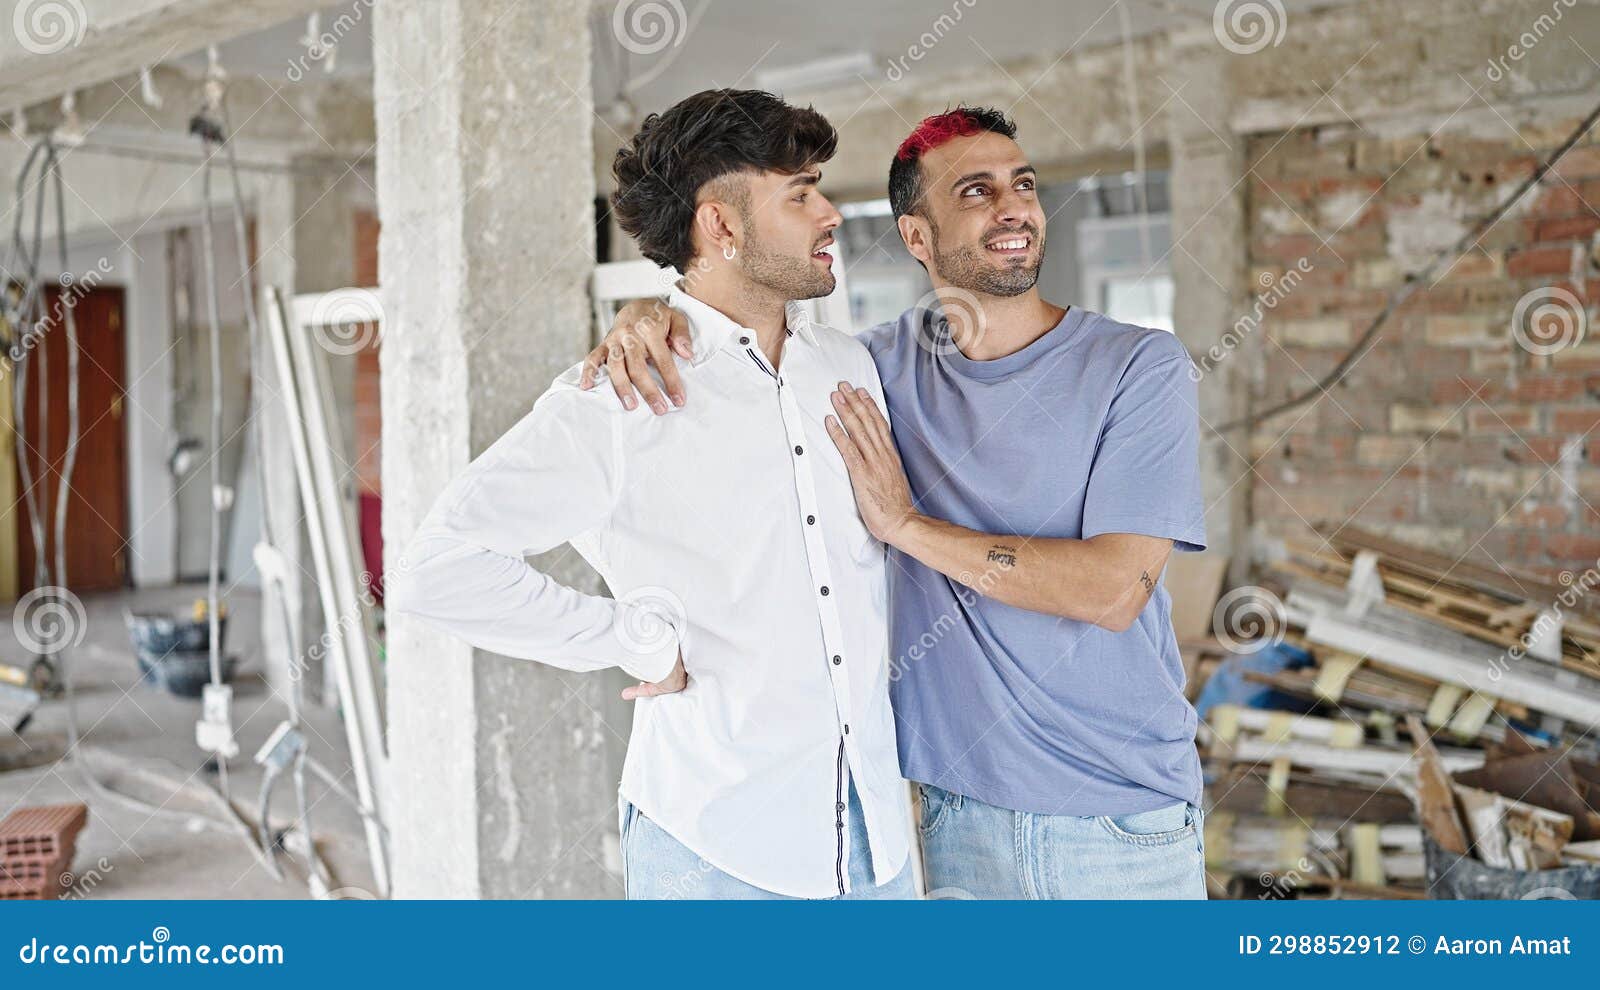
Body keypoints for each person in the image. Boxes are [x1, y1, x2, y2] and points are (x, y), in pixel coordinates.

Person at [583, 107, 1208, 899]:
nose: (1013, 206)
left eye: (1023, 185)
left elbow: (1114, 591)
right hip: (948, 818)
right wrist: (651, 318)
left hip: (1119, 821)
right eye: (977, 191)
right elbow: (746, 347)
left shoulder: (1138, 367)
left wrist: (906, 526)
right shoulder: (872, 369)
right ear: (917, 238)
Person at [387, 89, 914, 900]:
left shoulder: (850, 368)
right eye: (800, 193)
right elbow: (435, 569)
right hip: (716, 850)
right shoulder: (618, 398)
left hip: (874, 837)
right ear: (722, 225)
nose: (831, 213)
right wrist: (634, 640)